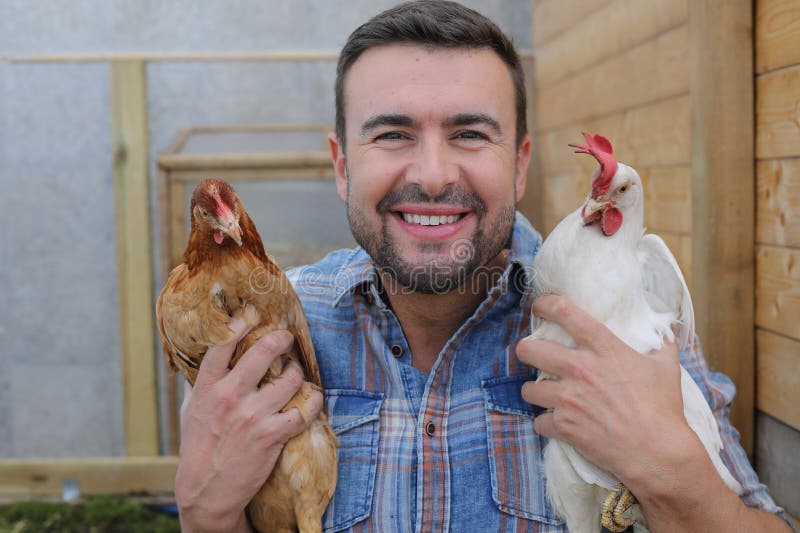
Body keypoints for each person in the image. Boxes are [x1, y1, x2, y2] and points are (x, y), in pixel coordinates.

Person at [174, 2, 793, 532]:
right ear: (342, 166)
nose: (435, 173)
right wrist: (207, 517)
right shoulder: (270, 334)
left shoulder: (623, 323)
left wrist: (674, 471)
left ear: (520, 164)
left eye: (470, 134)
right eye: (393, 135)